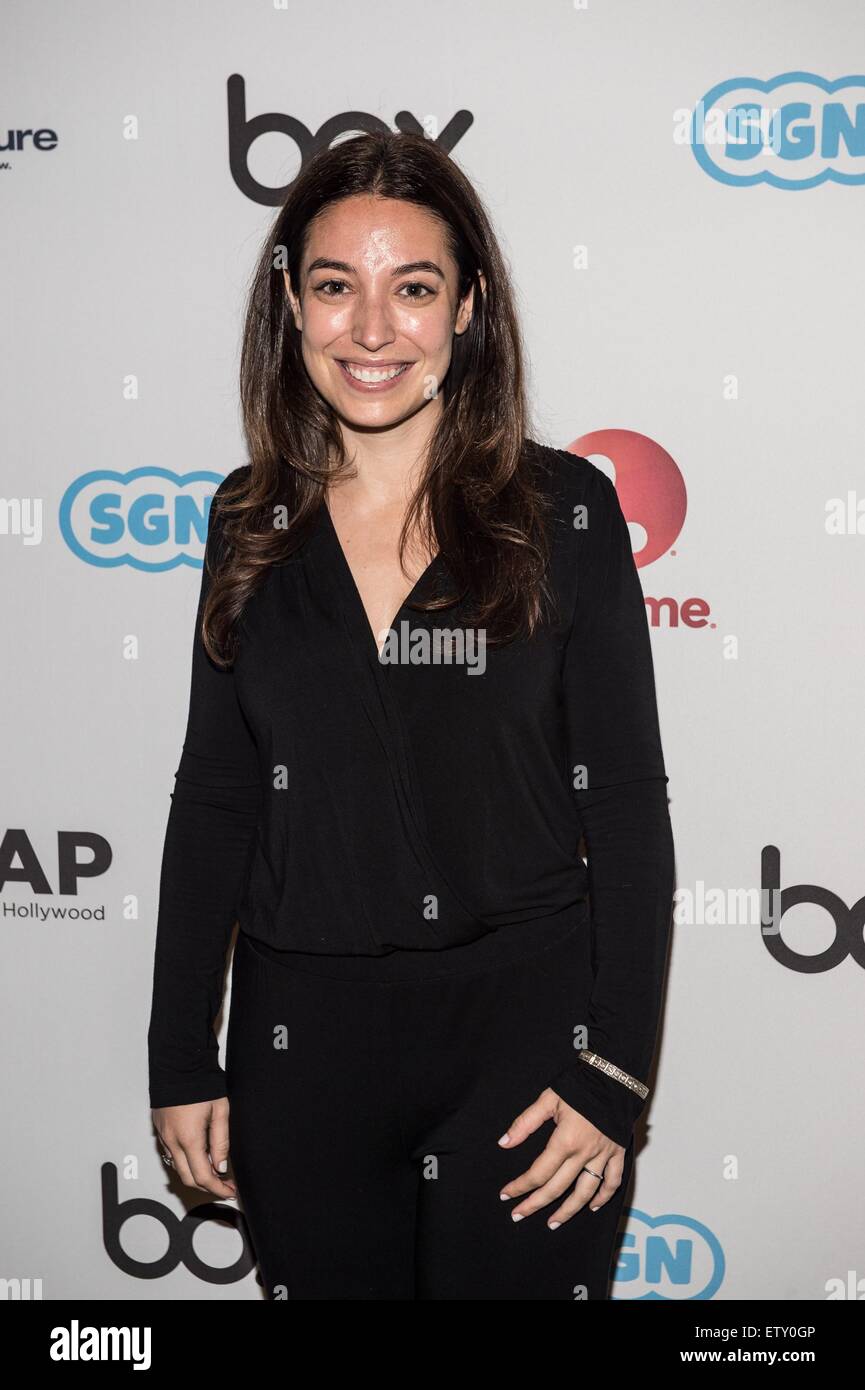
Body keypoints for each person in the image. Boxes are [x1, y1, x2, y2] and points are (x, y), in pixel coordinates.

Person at [147, 130, 675, 1301]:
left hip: (527, 1048)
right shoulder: (248, 520)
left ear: (469, 306)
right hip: (303, 1051)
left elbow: (629, 811)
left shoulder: (564, 510)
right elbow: (217, 798)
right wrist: (181, 1053)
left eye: (415, 288)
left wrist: (615, 1072)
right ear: (290, 303)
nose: (373, 330)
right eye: (336, 287)